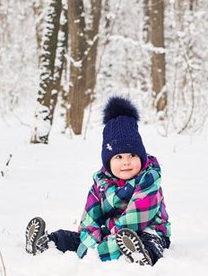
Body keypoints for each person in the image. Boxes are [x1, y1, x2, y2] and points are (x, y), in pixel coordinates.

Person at [25, 96, 171, 266]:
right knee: (75, 238)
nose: (126, 162)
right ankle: (46, 243)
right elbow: (90, 217)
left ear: (141, 156)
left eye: (132, 155)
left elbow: (136, 218)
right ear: (108, 161)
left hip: (146, 229)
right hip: (111, 233)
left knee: (151, 240)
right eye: (118, 157)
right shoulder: (101, 183)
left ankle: (141, 256)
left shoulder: (149, 179)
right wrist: (89, 243)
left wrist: (102, 249)